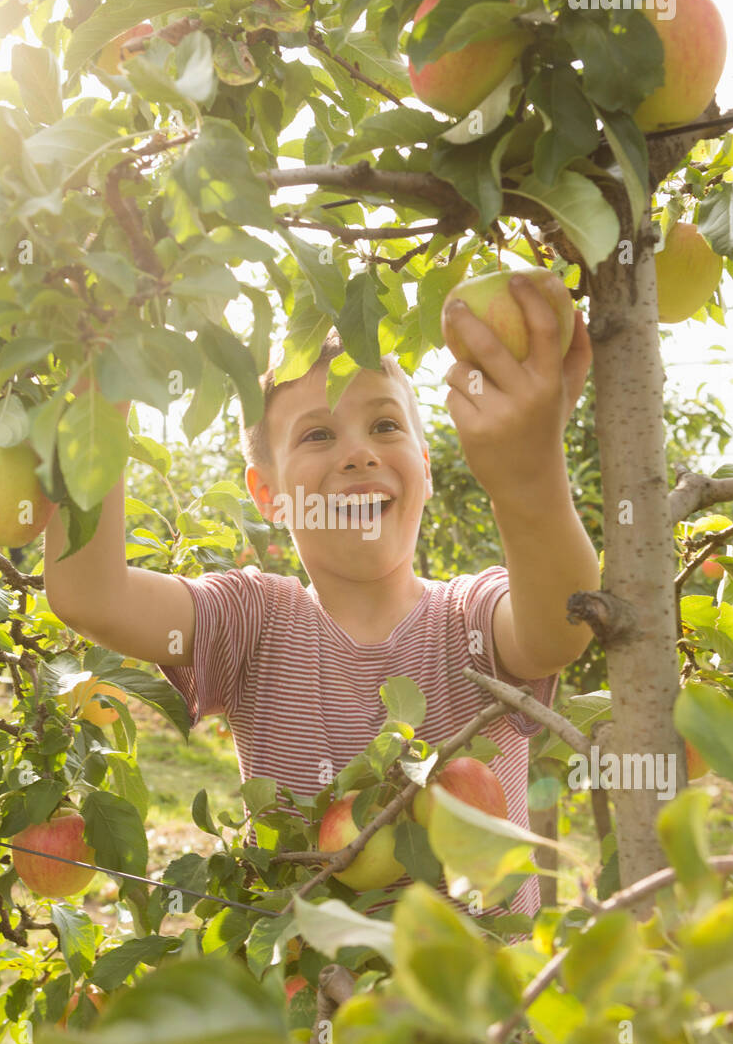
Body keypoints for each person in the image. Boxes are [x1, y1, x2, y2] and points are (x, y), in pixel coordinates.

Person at [43, 273, 599, 931]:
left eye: (385, 425)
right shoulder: (255, 622)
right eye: (316, 436)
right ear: (267, 494)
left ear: (423, 463)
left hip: (482, 1015)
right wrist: (95, 390)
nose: (359, 453)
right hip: (309, 1018)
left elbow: (562, 622)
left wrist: (530, 474)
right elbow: (91, 593)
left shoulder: (471, 619)